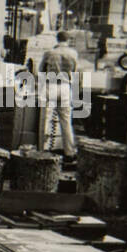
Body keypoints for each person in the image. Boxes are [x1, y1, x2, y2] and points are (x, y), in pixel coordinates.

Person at [38, 30, 80, 159]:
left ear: (57, 39)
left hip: (51, 86)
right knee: (66, 121)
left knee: (46, 118)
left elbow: (40, 70)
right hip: (65, 87)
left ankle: (43, 149)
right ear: (68, 40)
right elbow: (75, 70)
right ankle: (70, 152)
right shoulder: (73, 53)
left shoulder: (49, 53)